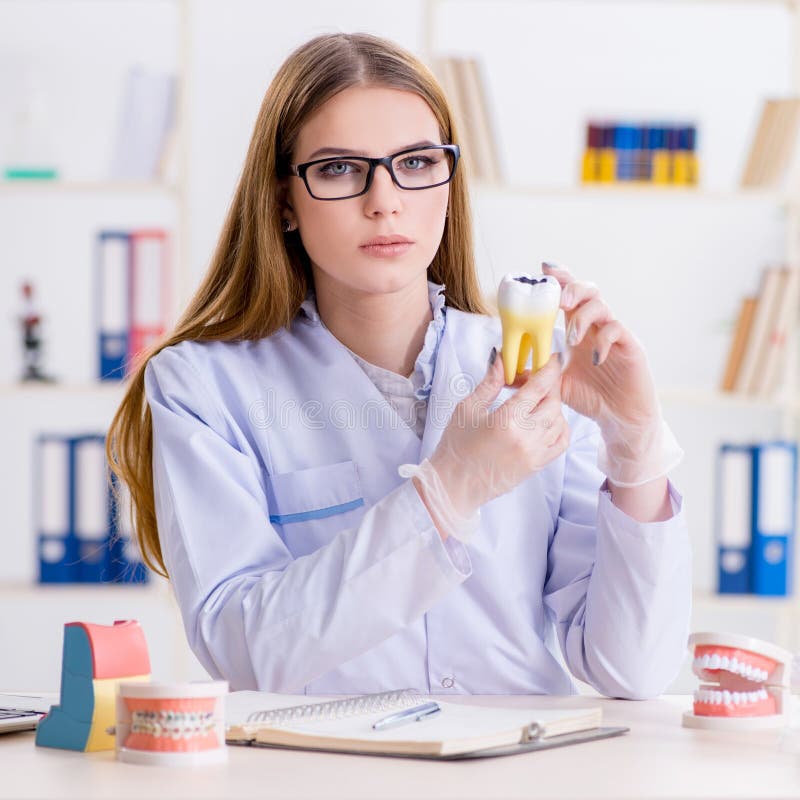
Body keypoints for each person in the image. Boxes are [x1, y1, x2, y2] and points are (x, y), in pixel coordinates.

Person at [107, 32, 691, 698]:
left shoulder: (543, 374)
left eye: (415, 163)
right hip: (323, 775)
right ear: (283, 202)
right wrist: (450, 489)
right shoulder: (203, 384)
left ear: (447, 180)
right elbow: (245, 651)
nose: (384, 199)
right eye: (338, 169)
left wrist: (636, 446)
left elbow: (632, 670)